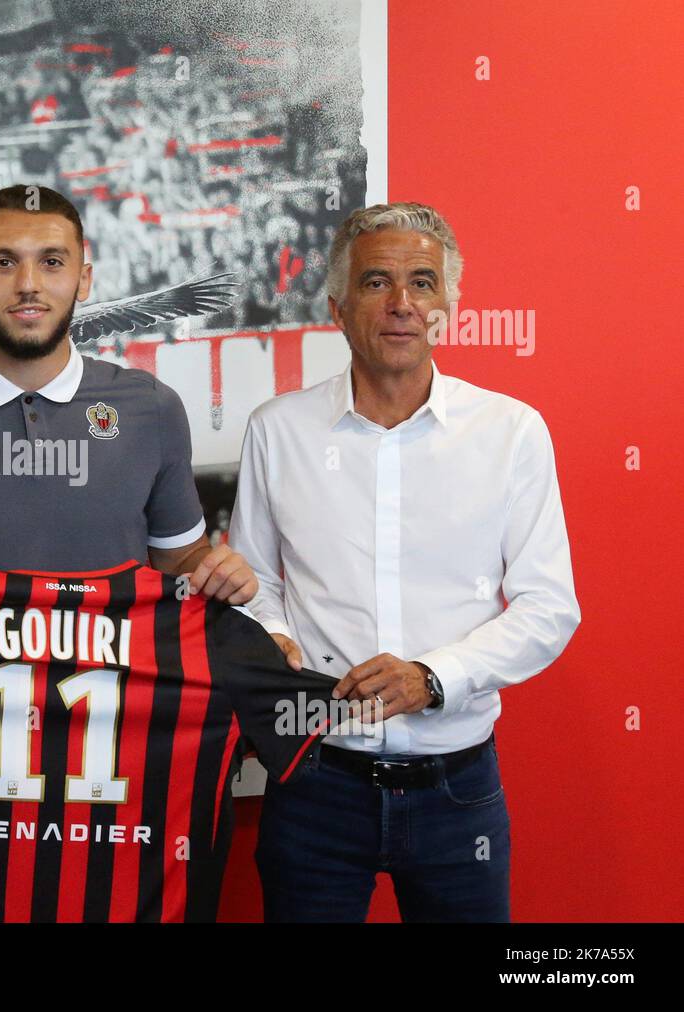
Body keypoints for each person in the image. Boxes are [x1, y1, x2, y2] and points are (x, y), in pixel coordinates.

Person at [228, 202, 580, 922]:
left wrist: (432, 678)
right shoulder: (278, 432)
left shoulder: (510, 432)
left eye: (423, 283)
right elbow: (253, 583)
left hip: (458, 791)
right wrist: (270, 635)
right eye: (376, 283)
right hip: (313, 782)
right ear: (337, 306)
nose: (401, 304)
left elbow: (551, 608)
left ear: (449, 305)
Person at [0, 184, 259, 603]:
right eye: (4, 262)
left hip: (112, 670)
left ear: (84, 279)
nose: (28, 284)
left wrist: (217, 574)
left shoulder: (153, 408)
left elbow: (181, 559)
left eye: (52, 262)